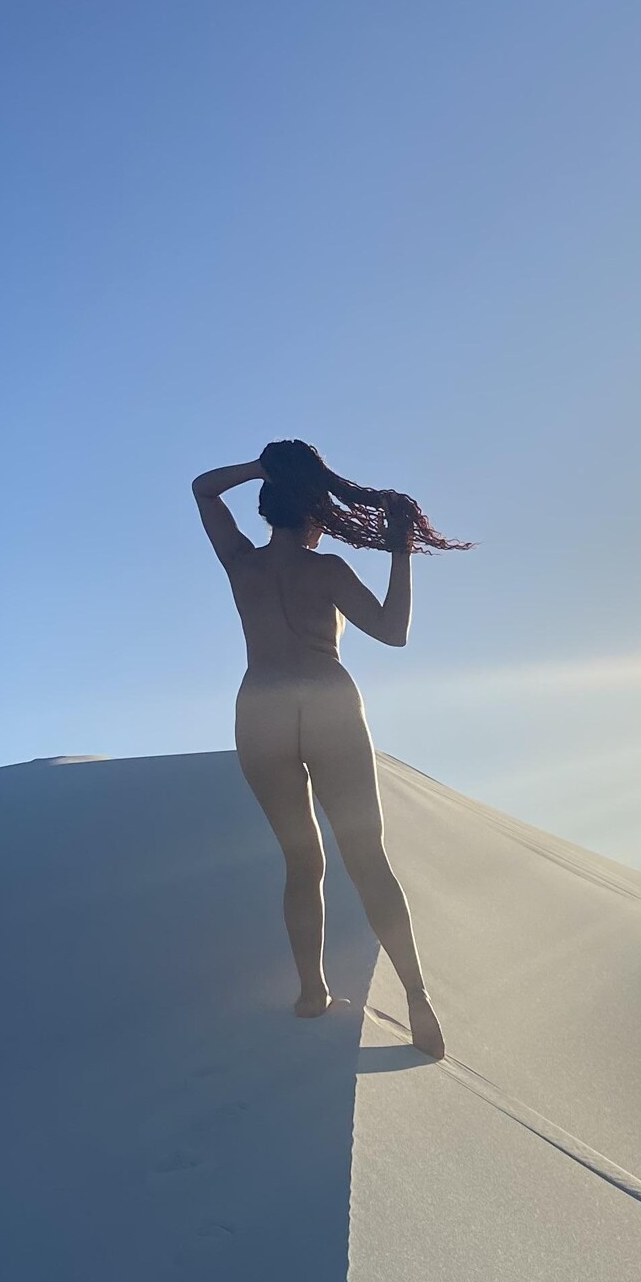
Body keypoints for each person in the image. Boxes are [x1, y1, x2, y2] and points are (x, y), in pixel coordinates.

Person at [192, 439, 469, 1059]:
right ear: (317, 512)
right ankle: (418, 999)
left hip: (260, 708)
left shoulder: (241, 563)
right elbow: (393, 632)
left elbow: (203, 489)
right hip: (326, 700)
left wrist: (262, 467)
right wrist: (400, 550)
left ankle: (313, 990)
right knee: (366, 857)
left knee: (302, 863)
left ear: (266, 508)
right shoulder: (329, 573)